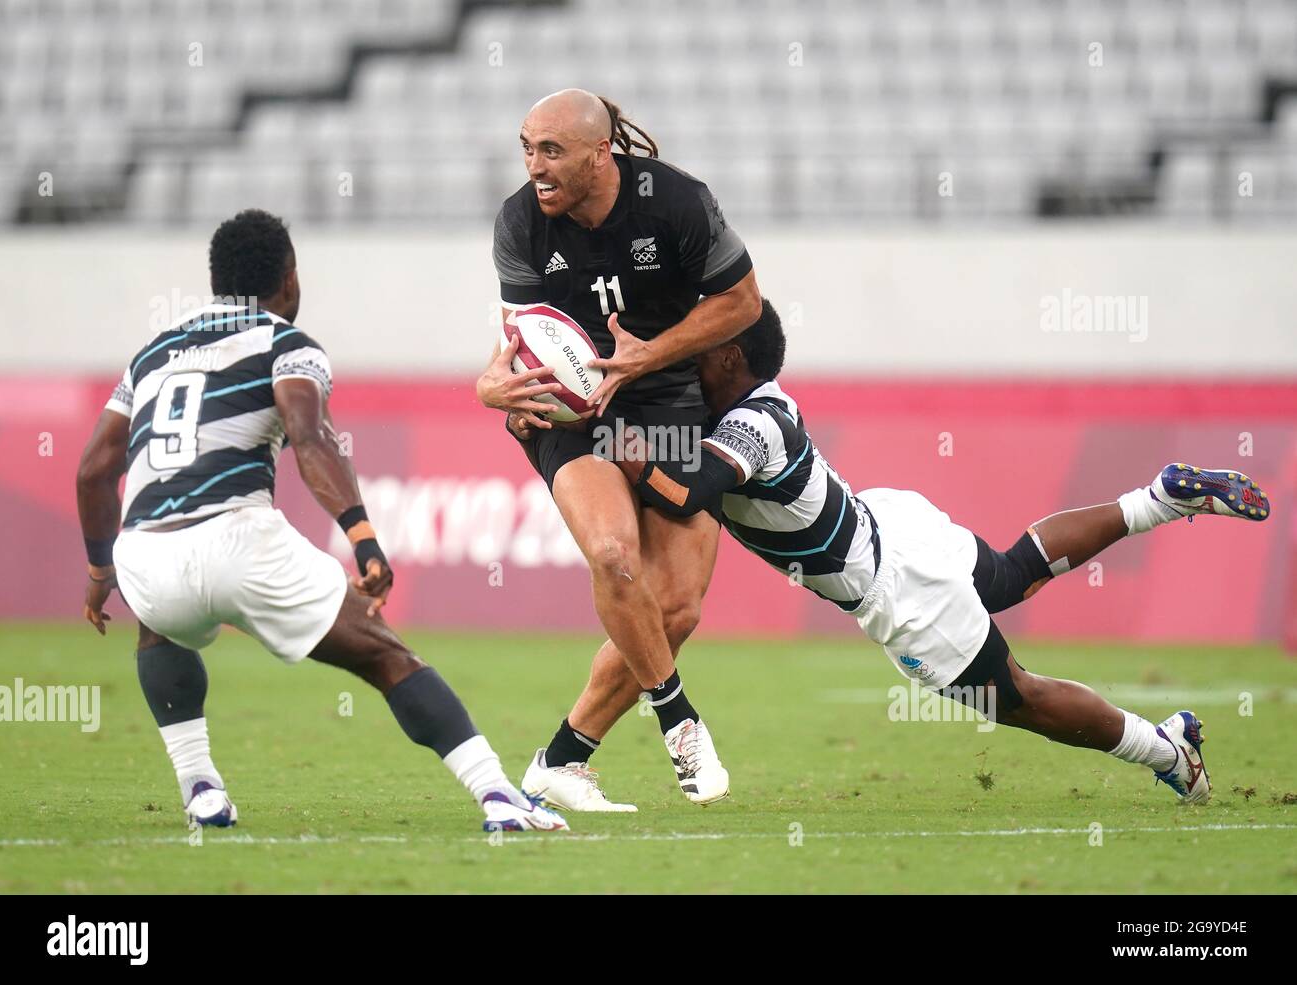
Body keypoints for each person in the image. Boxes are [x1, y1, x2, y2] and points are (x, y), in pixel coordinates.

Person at [573, 299, 1272, 804]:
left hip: (897, 587)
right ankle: (1158, 498)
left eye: (696, 346)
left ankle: (1166, 751)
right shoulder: (744, 400)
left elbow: (687, 492)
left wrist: (614, 443)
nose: (683, 355)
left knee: (1019, 698)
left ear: (730, 355)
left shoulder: (755, 424)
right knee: (1010, 575)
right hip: (892, 525)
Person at [76, 209, 566, 833]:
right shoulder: (285, 344)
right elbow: (310, 439)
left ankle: (199, 787)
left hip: (144, 555)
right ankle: (497, 793)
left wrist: (101, 573)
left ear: (217, 280)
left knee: (159, 629)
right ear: (290, 278)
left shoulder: (152, 354)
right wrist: (362, 536)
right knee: (385, 655)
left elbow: (93, 471)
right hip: (236, 543)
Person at [476, 89, 762, 810]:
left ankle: (563, 760)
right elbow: (523, 338)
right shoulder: (519, 222)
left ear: (601, 153)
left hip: (669, 404)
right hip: (573, 411)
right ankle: (679, 720)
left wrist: (647, 358)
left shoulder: (677, 203)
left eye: (551, 151)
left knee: (676, 610)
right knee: (612, 553)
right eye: (527, 148)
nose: (534, 166)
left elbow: (742, 304)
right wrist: (496, 387)